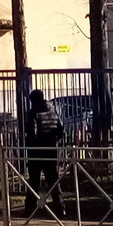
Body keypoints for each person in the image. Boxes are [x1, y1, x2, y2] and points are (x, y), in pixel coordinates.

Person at [24, 89, 65, 217]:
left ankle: (30, 209)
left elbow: (32, 133)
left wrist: (30, 143)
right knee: (53, 180)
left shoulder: (33, 113)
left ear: (33, 100)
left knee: (34, 181)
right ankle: (60, 209)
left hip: (36, 151)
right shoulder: (53, 111)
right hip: (51, 150)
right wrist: (53, 141)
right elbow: (61, 130)